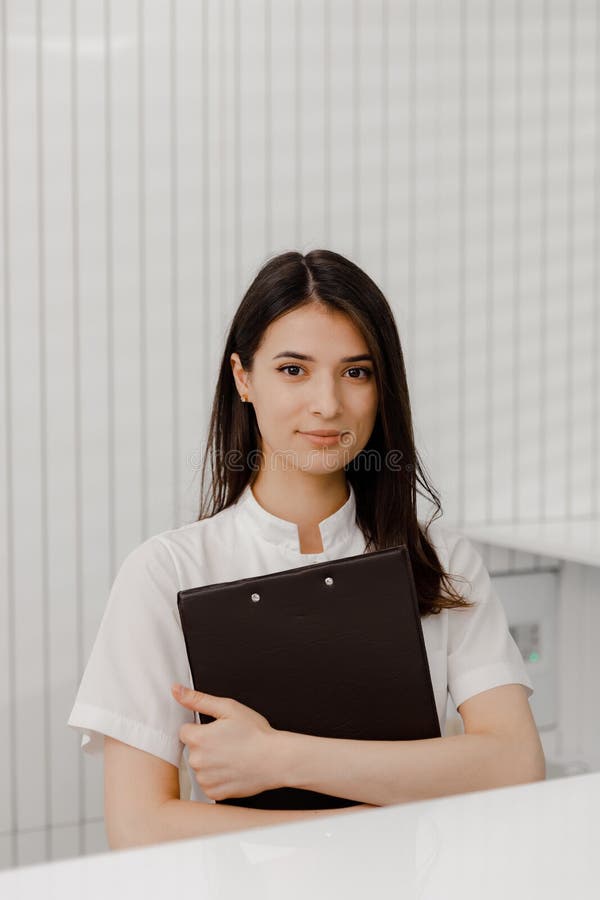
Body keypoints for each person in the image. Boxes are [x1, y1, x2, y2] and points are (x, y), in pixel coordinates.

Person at [67, 248, 544, 850]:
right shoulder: (167, 573)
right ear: (243, 378)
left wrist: (280, 758)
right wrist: (379, 819)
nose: (328, 404)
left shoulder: (441, 561)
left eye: (356, 371)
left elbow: (515, 766)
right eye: (294, 370)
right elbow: (139, 828)